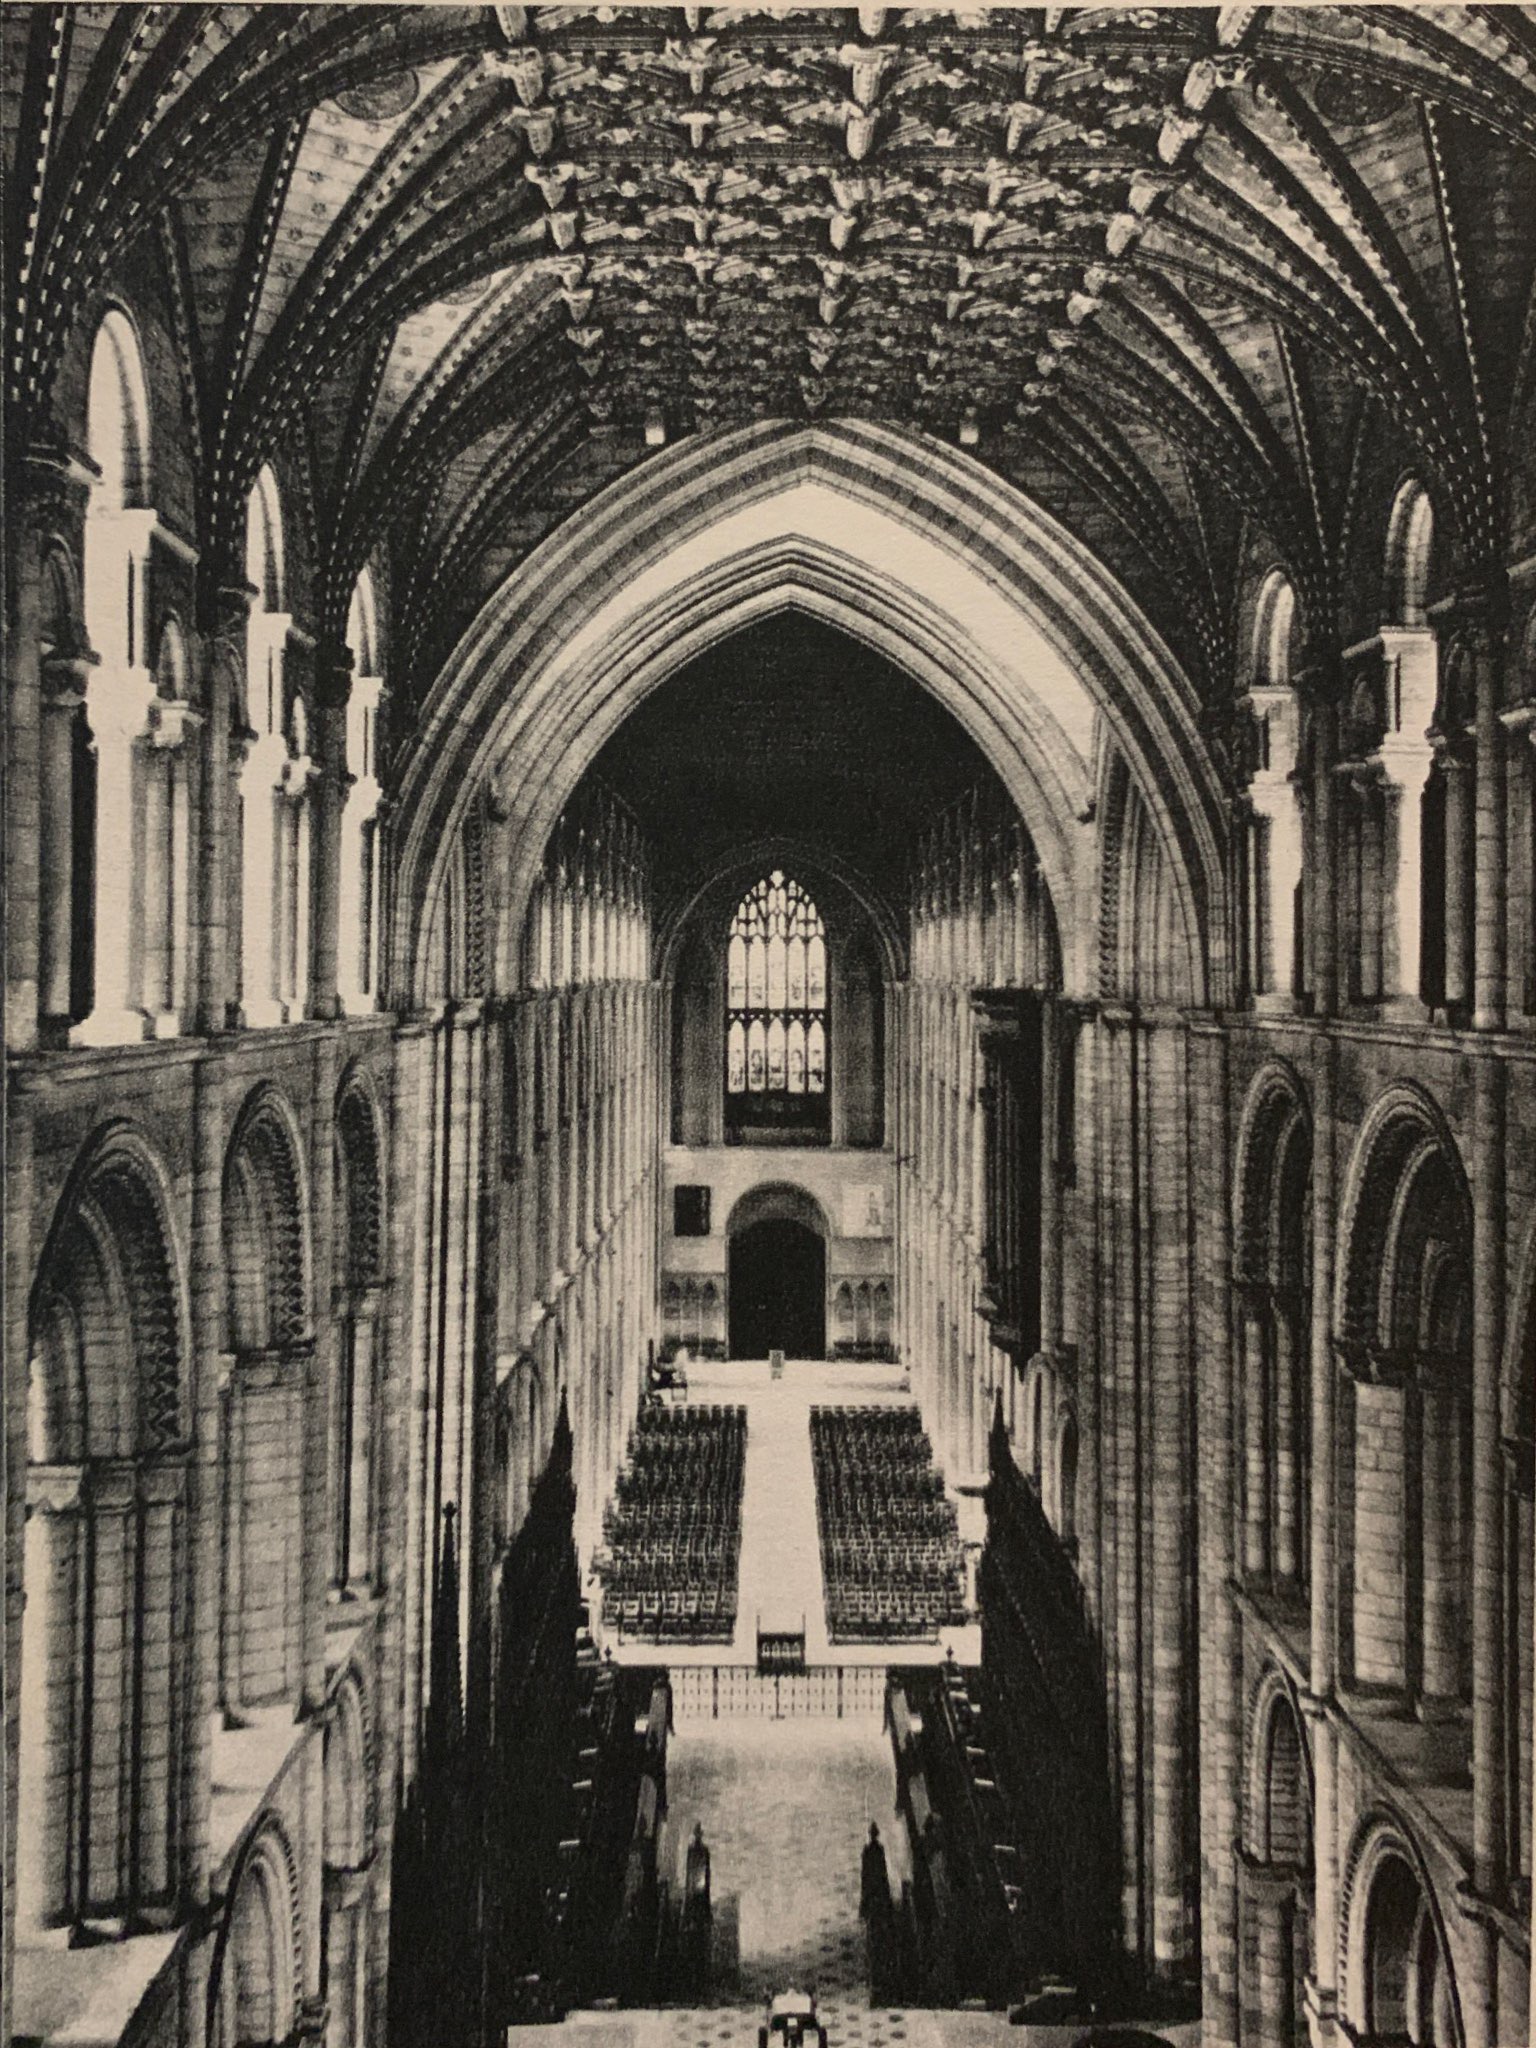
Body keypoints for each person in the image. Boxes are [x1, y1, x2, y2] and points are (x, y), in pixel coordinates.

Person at [860, 1822, 889, 1918]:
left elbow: (864, 1872)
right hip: (878, 1882)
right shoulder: (879, 1849)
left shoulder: (867, 1850)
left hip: (871, 1883)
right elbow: (883, 1869)